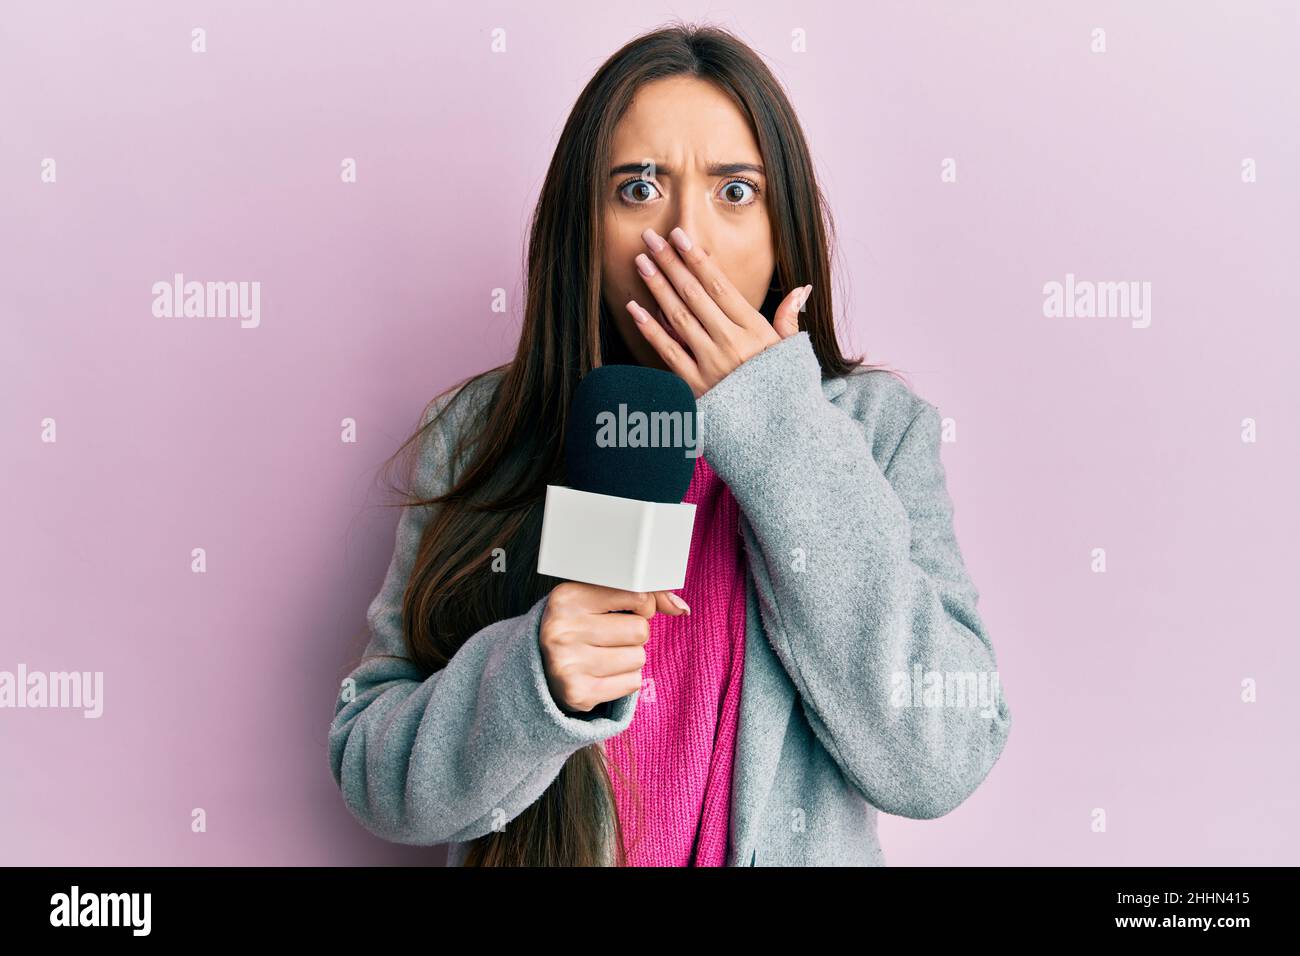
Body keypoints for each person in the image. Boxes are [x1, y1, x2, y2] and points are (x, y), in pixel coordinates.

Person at [328, 22, 1012, 867]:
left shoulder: (875, 432)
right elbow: (371, 771)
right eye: (639, 188)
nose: (685, 237)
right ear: (585, 225)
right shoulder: (479, 432)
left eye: (735, 192)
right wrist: (529, 677)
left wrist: (781, 435)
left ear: (782, 228)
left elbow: (940, 759)